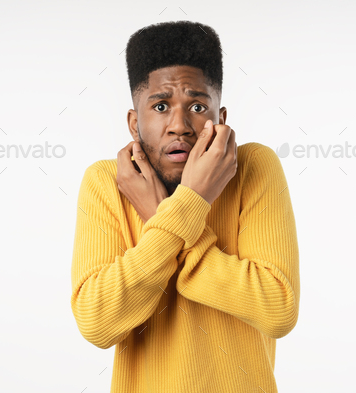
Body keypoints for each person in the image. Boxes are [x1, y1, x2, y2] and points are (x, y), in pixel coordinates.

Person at [71, 20, 300, 392]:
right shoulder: (106, 182)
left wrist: (164, 212)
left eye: (196, 105)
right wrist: (189, 208)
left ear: (220, 119)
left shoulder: (254, 167)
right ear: (134, 124)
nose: (179, 125)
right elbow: (98, 322)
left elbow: (277, 310)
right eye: (160, 106)